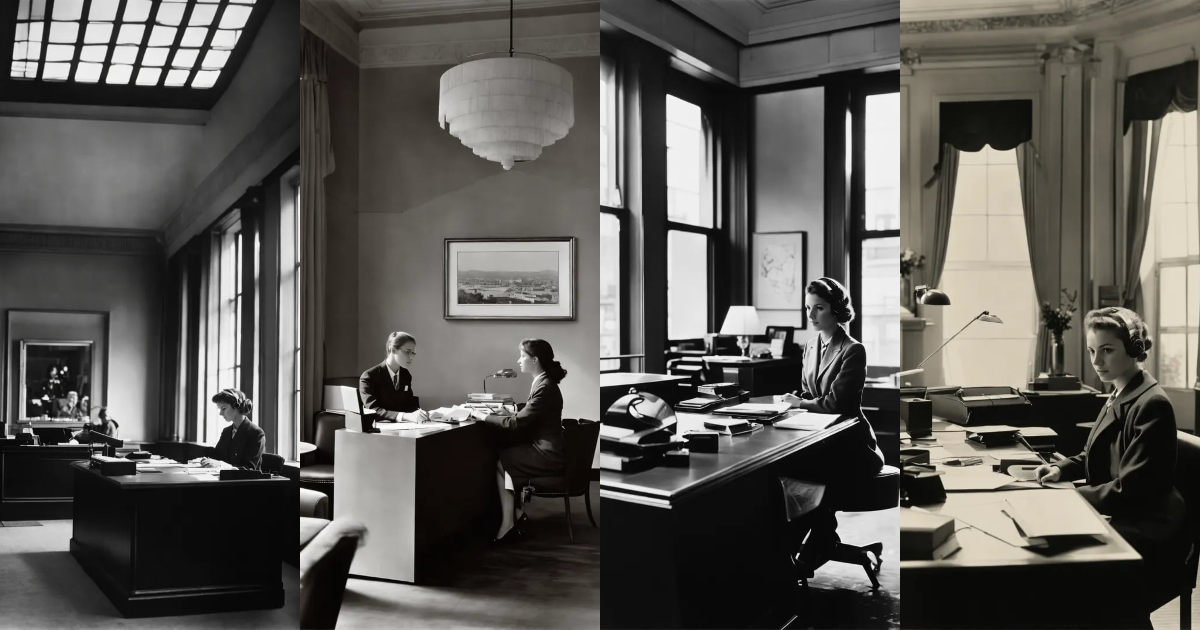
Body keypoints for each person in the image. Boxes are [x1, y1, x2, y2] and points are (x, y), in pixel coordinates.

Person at [1034, 307, 1186, 624]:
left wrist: (1070, 497)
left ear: (1133, 349)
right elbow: (1092, 453)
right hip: (1125, 512)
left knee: (1065, 570)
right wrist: (1061, 470)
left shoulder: (1151, 403)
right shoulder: (1120, 390)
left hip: (1150, 527)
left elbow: (1132, 487)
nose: (1096, 361)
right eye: (1092, 351)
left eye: (1106, 350)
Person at [777, 277, 884, 577]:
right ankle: (803, 548)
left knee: (808, 477)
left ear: (836, 310)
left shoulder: (853, 350)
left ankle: (798, 553)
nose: (811, 316)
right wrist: (794, 401)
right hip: (820, 440)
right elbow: (809, 394)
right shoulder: (810, 346)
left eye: (818, 308)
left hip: (852, 447)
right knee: (787, 472)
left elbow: (835, 403)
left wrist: (799, 404)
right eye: (808, 308)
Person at [479, 338, 567, 543]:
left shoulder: (545, 386)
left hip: (547, 453)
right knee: (506, 454)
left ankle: (508, 521)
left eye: (522, 356)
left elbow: (516, 424)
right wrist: (513, 410)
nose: (519, 361)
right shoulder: (544, 381)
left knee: (502, 460)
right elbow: (533, 410)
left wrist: (483, 416)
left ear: (534, 359)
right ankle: (515, 514)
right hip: (546, 448)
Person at [359, 332, 430, 422]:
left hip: (404, 429)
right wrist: (405, 416)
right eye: (408, 352)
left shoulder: (405, 375)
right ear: (392, 350)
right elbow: (373, 410)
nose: (411, 357)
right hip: (379, 430)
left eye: (413, 353)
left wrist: (420, 413)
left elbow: (409, 404)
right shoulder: (369, 376)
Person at [193, 388, 265, 470]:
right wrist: (208, 461)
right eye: (220, 409)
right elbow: (216, 456)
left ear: (236, 406)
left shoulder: (256, 433)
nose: (220, 413)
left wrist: (220, 465)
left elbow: (249, 469)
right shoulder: (226, 432)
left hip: (246, 482)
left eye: (223, 409)